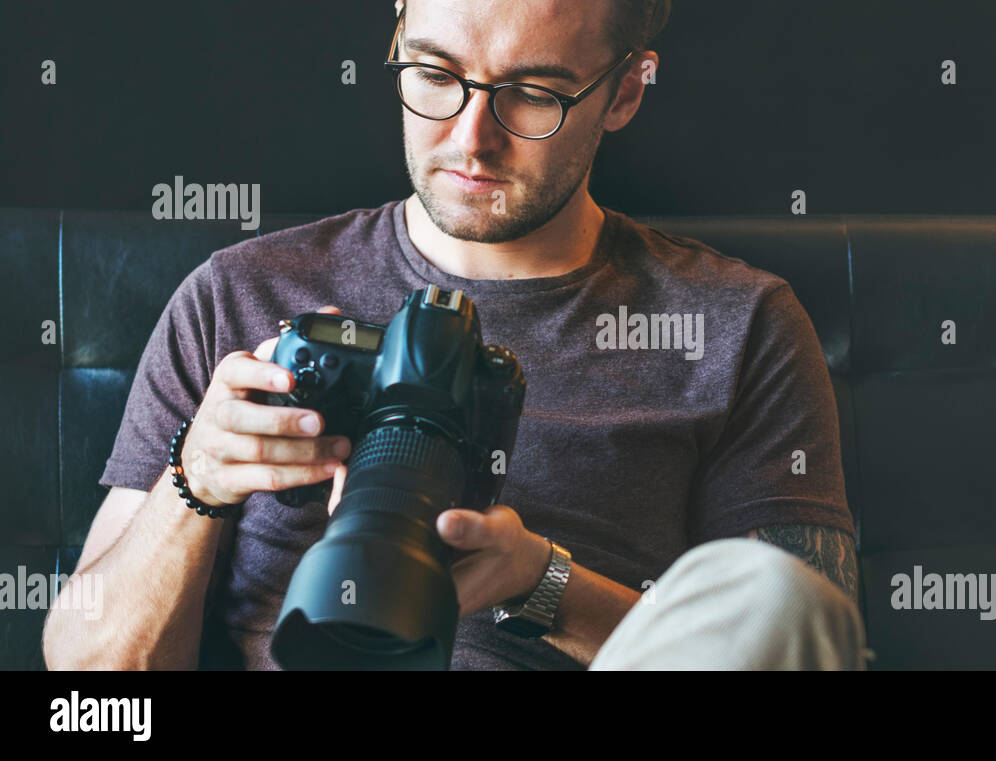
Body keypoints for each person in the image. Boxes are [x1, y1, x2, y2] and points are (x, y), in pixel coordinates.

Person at [42, 0, 867, 670]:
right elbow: (92, 688)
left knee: (777, 595)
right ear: (397, 33)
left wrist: (544, 585)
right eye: (435, 74)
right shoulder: (242, 296)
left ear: (624, 92)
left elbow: (795, 641)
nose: (472, 138)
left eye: (534, 92)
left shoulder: (736, 322)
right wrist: (196, 482)